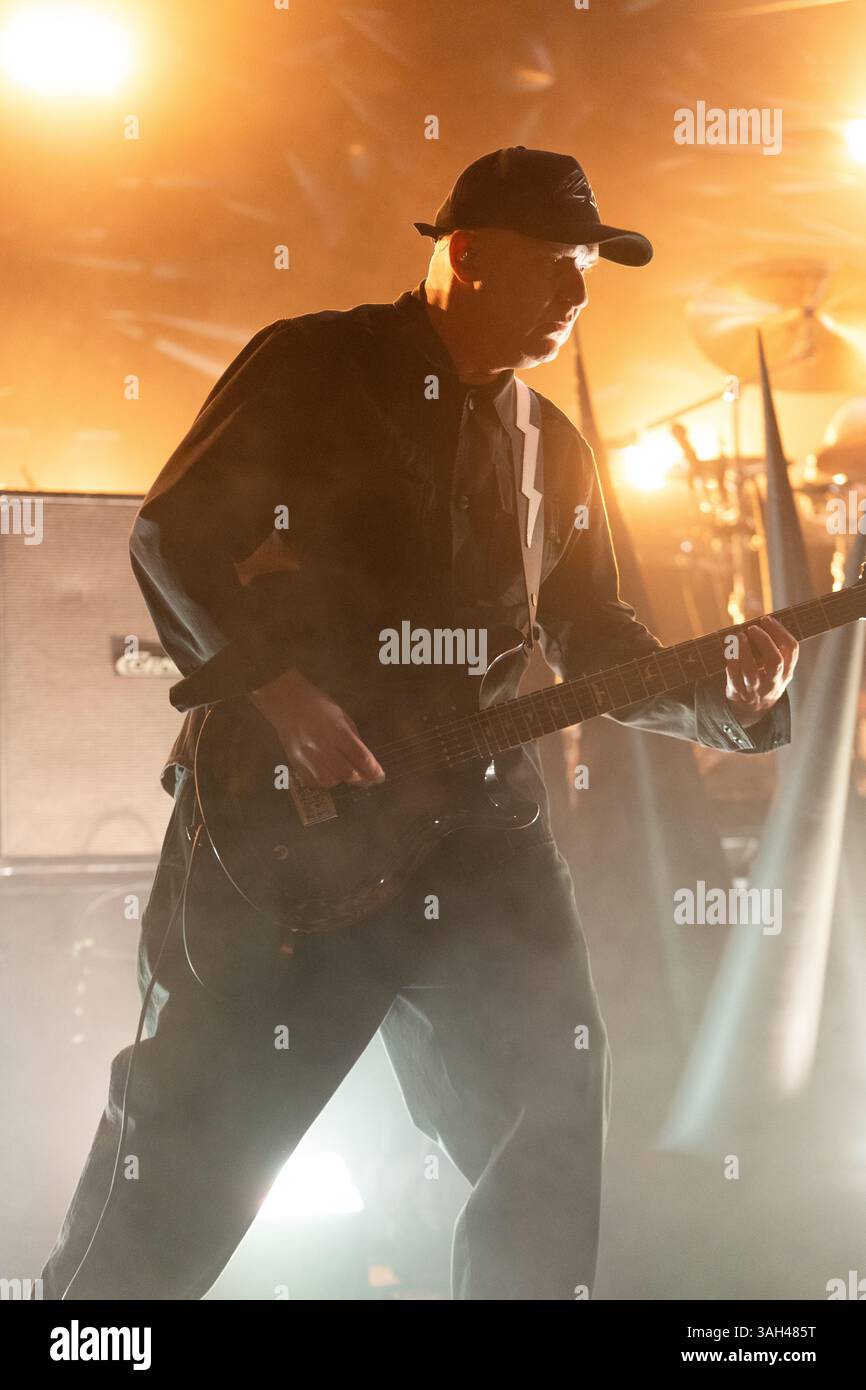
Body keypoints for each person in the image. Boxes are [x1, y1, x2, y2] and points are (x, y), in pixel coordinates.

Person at [40, 146, 798, 1301]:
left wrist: (725, 694)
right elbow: (174, 533)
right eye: (554, 264)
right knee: (186, 1147)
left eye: (588, 268)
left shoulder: (555, 448)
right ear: (464, 255)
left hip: (482, 832)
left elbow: (596, 646)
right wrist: (279, 695)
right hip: (286, 823)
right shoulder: (312, 364)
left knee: (549, 1113)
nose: (577, 294)